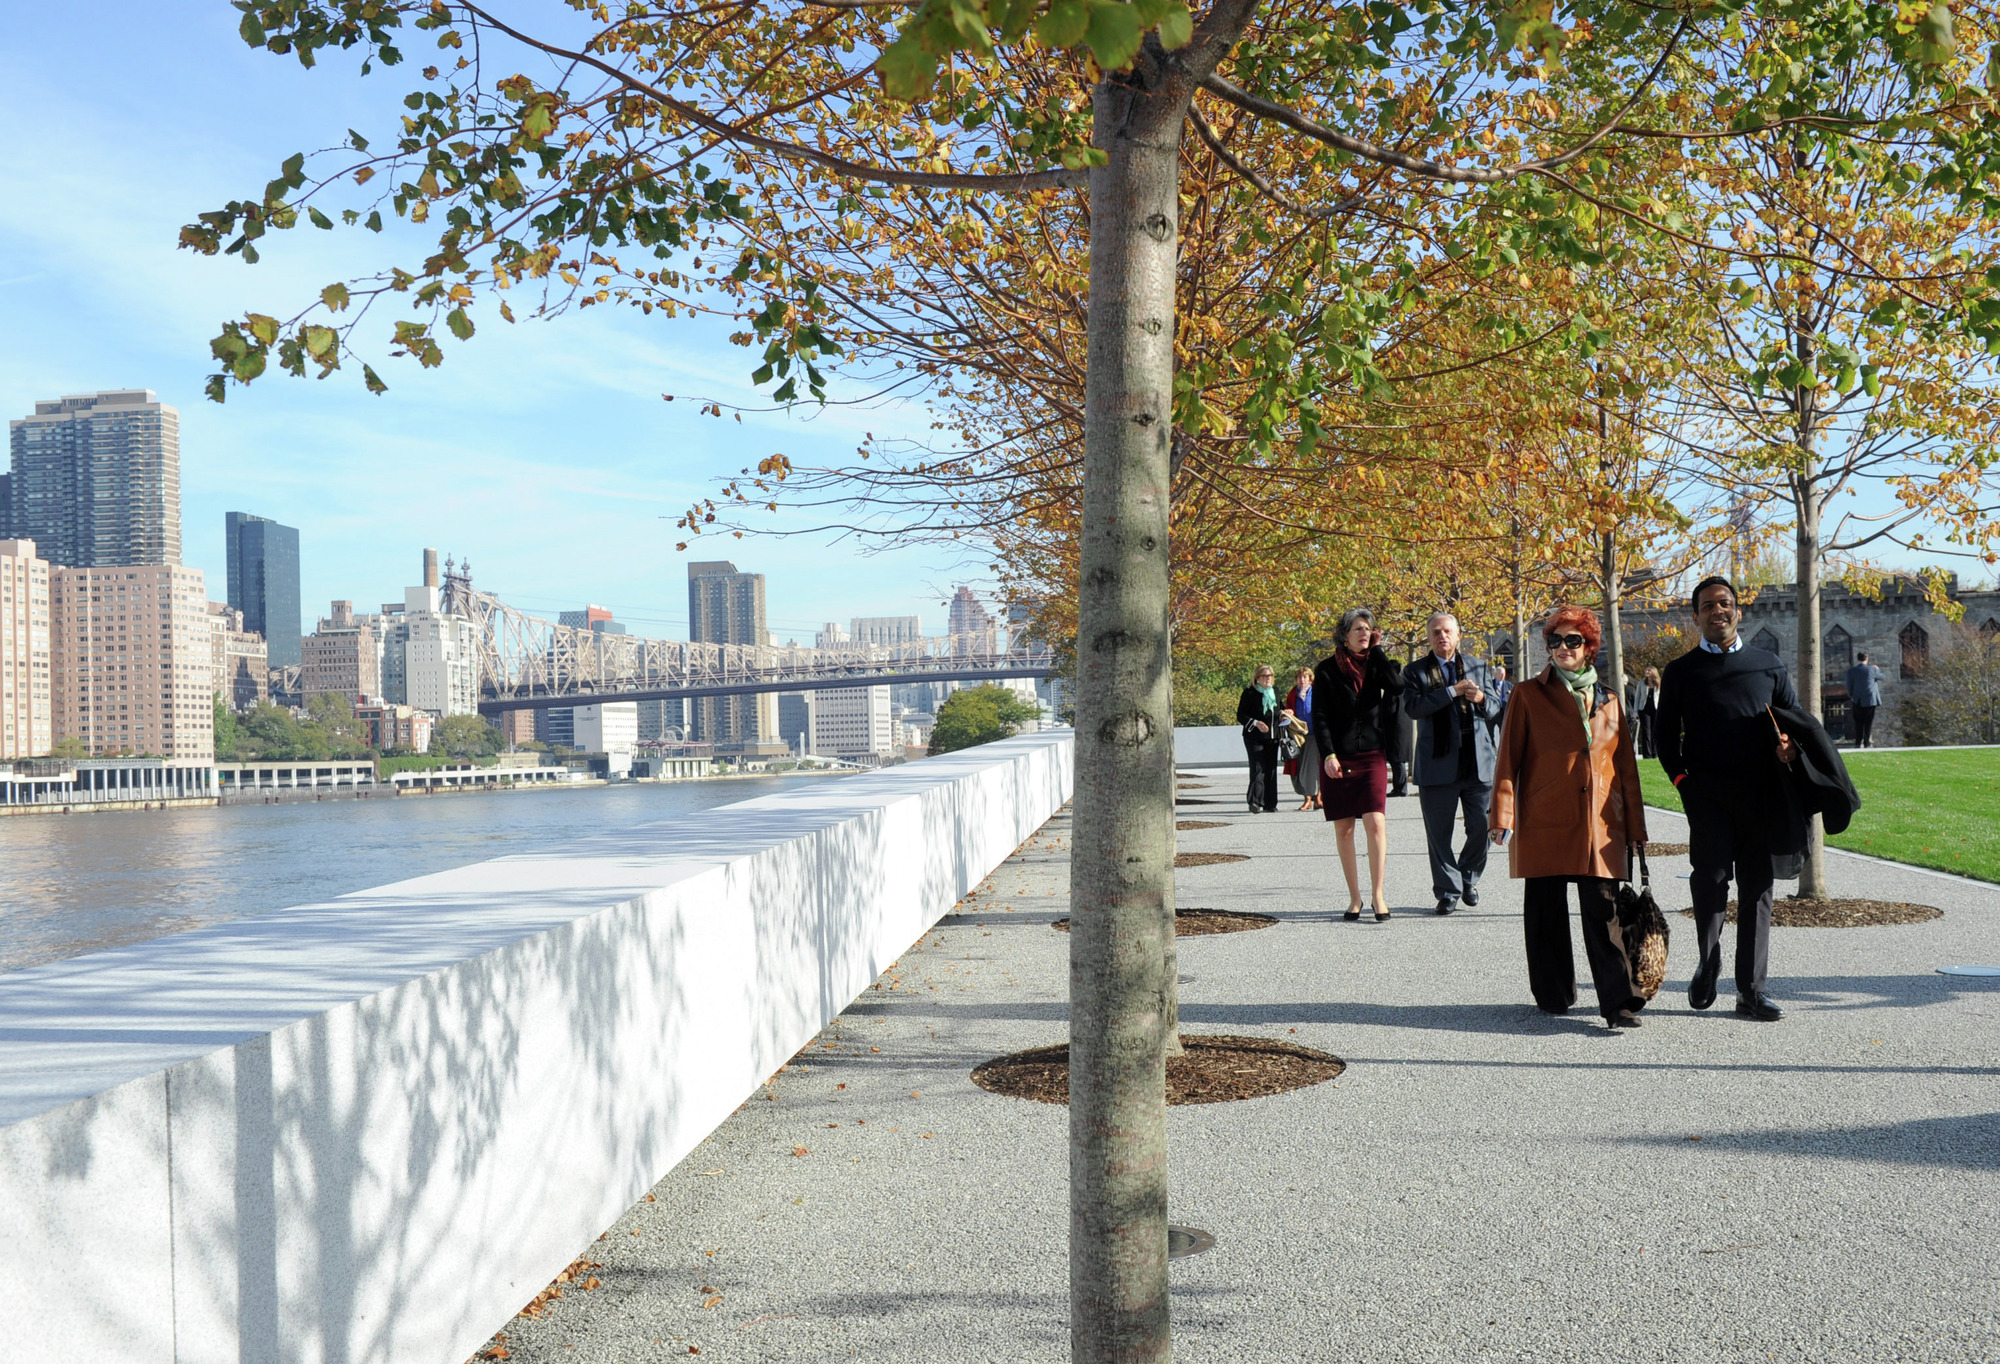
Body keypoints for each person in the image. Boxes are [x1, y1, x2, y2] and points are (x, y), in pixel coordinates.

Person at [1490, 606, 1650, 1029]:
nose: (1563, 648)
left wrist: (1635, 826)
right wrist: (1501, 815)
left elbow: (1626, 771)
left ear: (1589, 647)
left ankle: (1619, 1003)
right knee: (1544, 911)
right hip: (1543, 815)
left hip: (1599, 823)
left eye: (1572, 640)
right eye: (1556, 641)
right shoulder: (1527, 694)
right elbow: (1508, 758)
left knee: (1604, 911)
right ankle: (1554, 994)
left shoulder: (1611, 700)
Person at [1657, 575, 1799, 1023]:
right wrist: (1684, 783)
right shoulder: (1681, 672)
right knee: (1711, 880)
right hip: (1709, 799)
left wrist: (1788, 750)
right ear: (1695, 615)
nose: (1717, 611)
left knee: (1758, 891)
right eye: (1707, 606)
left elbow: (1793, 725)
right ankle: (1708, 960)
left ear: (1738, 611)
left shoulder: (1768, 666)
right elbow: (1663, 739)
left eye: (1725, 604)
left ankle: (1751, 992)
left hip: (1761, 797)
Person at [1403, 612, 1504, 914]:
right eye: (1435, 632)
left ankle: (1468, 878)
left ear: (1459, 635)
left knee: (1482, 827)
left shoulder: (1478, 666)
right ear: (1428, 638)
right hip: (1437, 766)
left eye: (1447, 631)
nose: (1442, 636)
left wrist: (1482, 698)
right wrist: (1451, 691)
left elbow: (1497, 709)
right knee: (1439, 835)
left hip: (1478, 764)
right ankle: (1448, 890)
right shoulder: (1415, 671)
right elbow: (1413, 708)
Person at [1311, 608, 1406, 920]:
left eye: (1368, 629)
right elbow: (1320, 716)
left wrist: (1377, 651)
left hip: (1372, 753)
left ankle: (1378, 895)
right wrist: (1328, 755)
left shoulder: (1380, 664)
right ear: (1345, 635)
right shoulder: (1325, 670)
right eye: (1358, 629)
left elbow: (1396, 686)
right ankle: (1355, 898)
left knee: (1376, 821)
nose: (1364, 633)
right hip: (1339, 755)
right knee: (1345, 828)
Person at [1237, 664, 1289, 813]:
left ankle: (1270, 803)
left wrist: (1286, 712)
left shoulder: (1275, 691)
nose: (1268, 679)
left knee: (1271, 769)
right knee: (1258, 768)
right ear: (1257, 678)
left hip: (1273, 737)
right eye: (1265, 676)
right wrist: (1255, 723)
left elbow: (1280, 709)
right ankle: (1255, 801)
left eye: (1270, 676)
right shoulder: (1249, 693)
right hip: (1254, 737)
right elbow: (1241, 715)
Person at [1283, 667, 1320, 811]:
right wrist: (1289, 712)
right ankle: (1307, 799)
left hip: (1315, 734)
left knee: (1316, 767)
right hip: (1298, 735)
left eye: (1305, 677)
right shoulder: (1293, 694)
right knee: (1300, 767)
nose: (1302, 680)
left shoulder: (1316, 692)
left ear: (1310, 679)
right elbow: (1287, 708)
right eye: (1299, 677)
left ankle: (1318, 798)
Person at [1846, 651, 1884, 747]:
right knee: (1868, 722)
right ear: (1867, 659)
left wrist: (1851, 696)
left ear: (1858, 659)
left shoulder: (1851, 671)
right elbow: (1882, 677)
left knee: (1858, 722)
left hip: (1857, 699)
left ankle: (1858, 742)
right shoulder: (1872, 669)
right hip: (1870, 700)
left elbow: (1849, 686)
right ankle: (1867, 743)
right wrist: (1877, 669)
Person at [1637, 666, 1662, 758]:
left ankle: (1655, 754)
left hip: (1656, 709)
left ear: (1653, 672)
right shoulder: (1641, 683)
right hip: (1644, 709)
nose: (1646, 672)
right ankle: (1647, 755)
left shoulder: (1658, 683)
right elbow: (1637, 697)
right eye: (1646, 670)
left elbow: (1661, 698)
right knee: (1646, 732)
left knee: (1655, 731)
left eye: (1648, 670)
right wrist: (1636, 711)